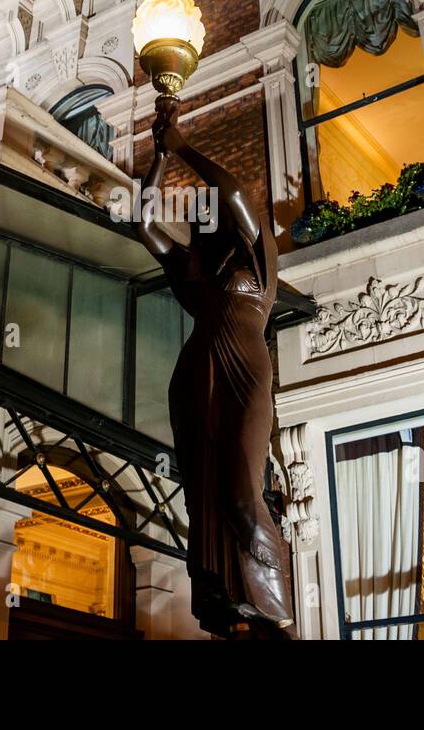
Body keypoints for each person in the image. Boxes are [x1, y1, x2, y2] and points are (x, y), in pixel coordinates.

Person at [136, 99, 295, 636]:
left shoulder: (256, 259)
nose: (206, 217)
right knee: (202, 498)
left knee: (241, 494)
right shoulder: (193, 273)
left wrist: (182, 147)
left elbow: (234, 191)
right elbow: (141, 223)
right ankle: (221, 600)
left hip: (244, 371)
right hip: (195, 380)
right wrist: (158, 157)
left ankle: (276, 612)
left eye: (211, 212)